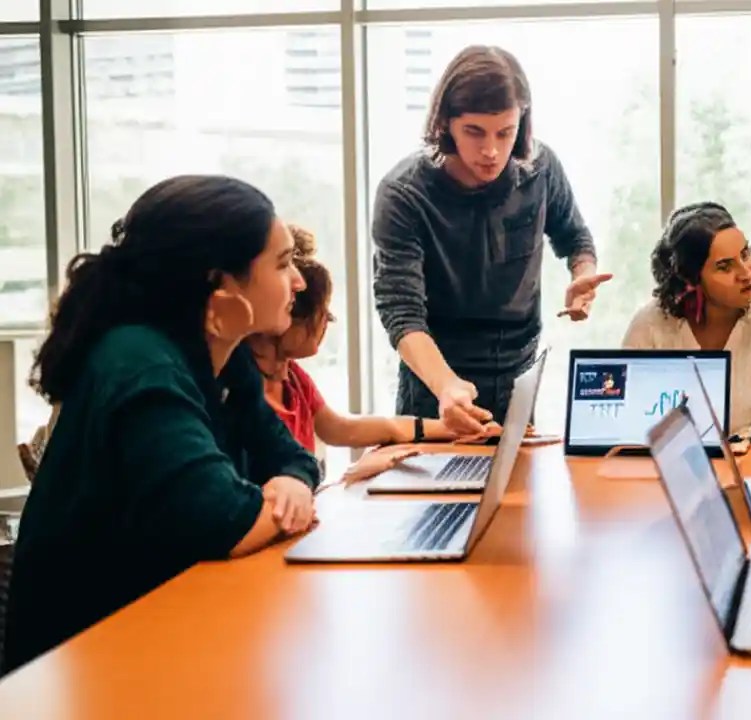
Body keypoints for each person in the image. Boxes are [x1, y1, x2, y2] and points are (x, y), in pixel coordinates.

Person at [4, 176, 321, 673]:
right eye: (282, 264)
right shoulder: (138, 363)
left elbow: (293, 458)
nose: (299, 282)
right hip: (88, 665)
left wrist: (290, 483)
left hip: (165, 633)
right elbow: (225, 523)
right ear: (221, 285)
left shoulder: (223, 353)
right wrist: (285, 496)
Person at [372, 45, 610, 437]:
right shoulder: (403, 193)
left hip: (519, 375)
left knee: (514, 493)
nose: (491, 151)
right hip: (438, 383)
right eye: (474, 132)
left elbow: (575, 237)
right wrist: (446, 386)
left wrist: (583, 274)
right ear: (445, 123)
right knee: (438, 496)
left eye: (505, 132)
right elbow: (401, 313)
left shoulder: (540, 168)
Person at [246, 224, 498, 455]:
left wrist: (463, 429)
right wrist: (359, 472)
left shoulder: (294, 379)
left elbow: (344, 428)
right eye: (323, 314)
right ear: (288, 312)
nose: (327, 322)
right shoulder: (240, 392)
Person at [622, 202, 751, 440]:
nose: (746, 273)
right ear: (690, 279)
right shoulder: (648, 327)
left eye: (746, 254)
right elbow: (626, 427)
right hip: (663, 471)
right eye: (724, 266)